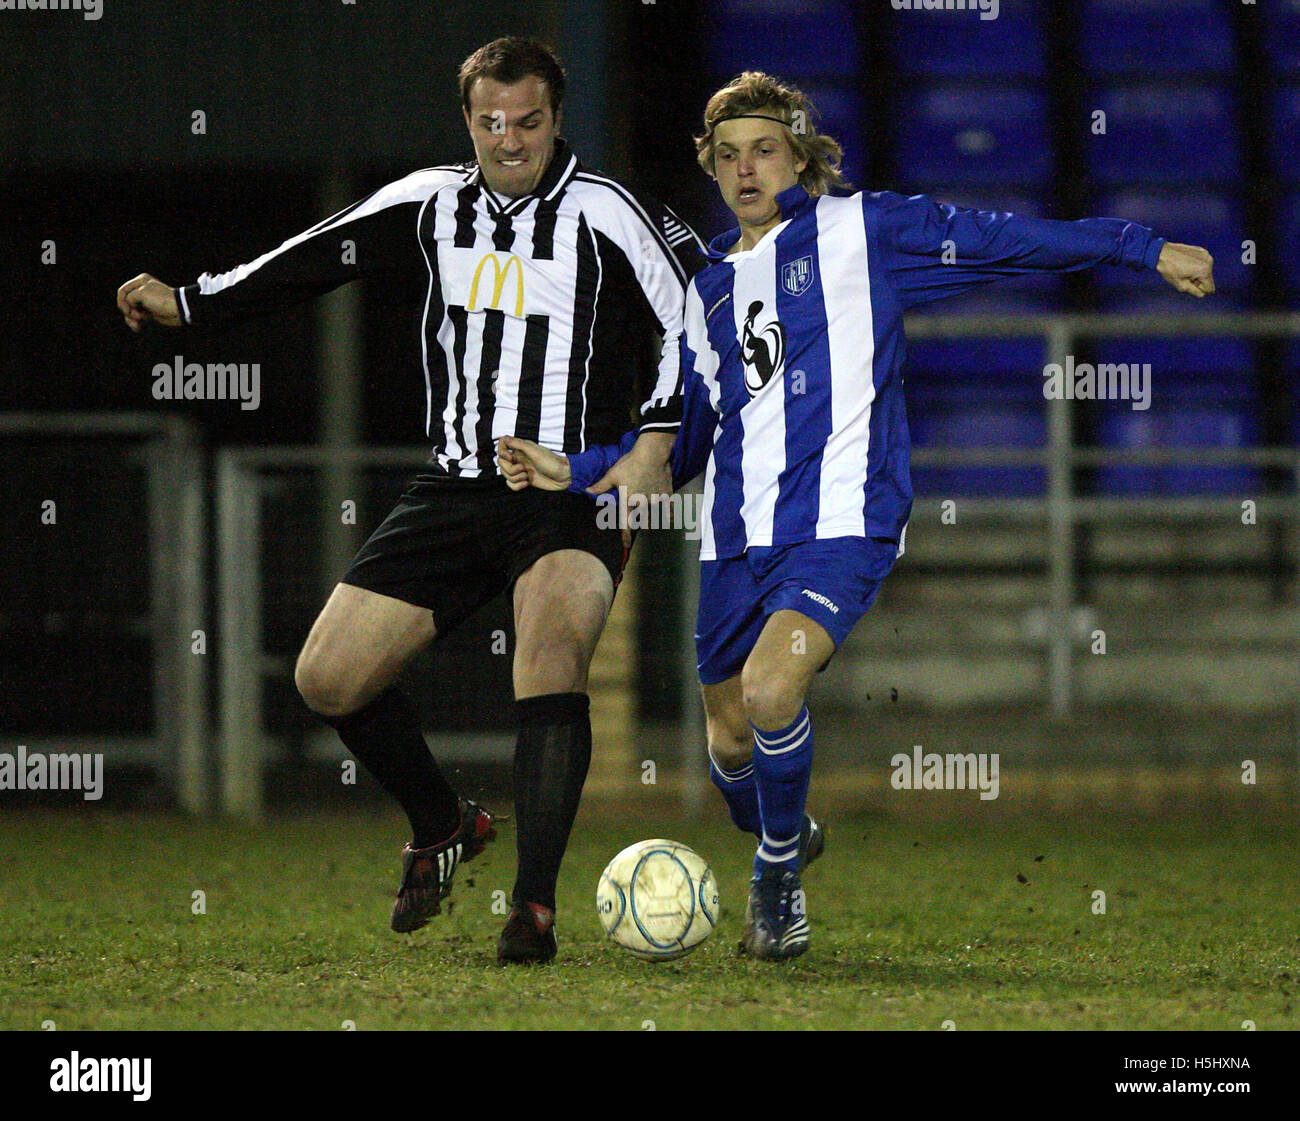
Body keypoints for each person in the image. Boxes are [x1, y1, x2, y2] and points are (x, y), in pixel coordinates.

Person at [497, 71, 1215, 961]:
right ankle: (784, 830)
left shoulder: (863, 229)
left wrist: (1141, 249)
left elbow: (1007, 241)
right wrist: (578, 468)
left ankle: (777, 883)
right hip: (732, 539)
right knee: (725, 740)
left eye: (764, 150)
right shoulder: (708, 286)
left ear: (801, 154)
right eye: (727, 157)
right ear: (711, 171)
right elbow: (682, 439)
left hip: (842, 522)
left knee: (769, 690)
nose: (746, 170)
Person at [116, 37, 705, 965]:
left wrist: (656, 444)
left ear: (559, 118)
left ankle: (534, 909)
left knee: (549, 653)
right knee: (327, 677)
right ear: (468, 119)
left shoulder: (611, 215)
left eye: (529, 122)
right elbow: (310, 258)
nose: (509, 141)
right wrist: (190, 305)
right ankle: (442, 822)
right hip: (452, 487)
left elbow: (695, 321)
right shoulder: (430, 201)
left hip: (566, 491)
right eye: (489, 123)